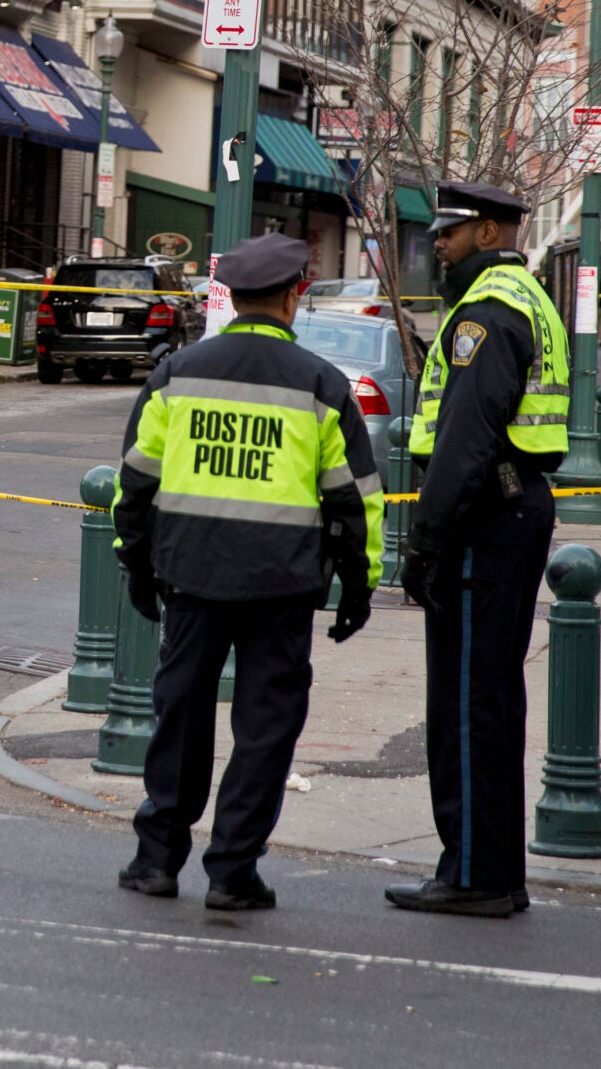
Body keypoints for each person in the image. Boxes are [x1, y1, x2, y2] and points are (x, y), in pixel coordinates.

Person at [112, 232, 384, 912]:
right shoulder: (322, 384)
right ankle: (233, 869)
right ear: (295, 295)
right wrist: (358, 582)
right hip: (282, 586)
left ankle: (155, 860)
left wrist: (135, 562)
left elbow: (135, 481)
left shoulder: (178, 373)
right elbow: (356, 501)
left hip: (191, 577)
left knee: (181, 715)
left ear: (229, 296)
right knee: (265, 727)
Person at [387, 182, 568, 917]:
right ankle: (491, 867)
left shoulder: (488, 312)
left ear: (488, 233)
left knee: (467, 700)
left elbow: (466, 440)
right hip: (509, 507)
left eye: (450, 232)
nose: (437, 243)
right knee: (490, 694)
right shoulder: (522, 297)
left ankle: (472, 871)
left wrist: (426, 542)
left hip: (483, 516)